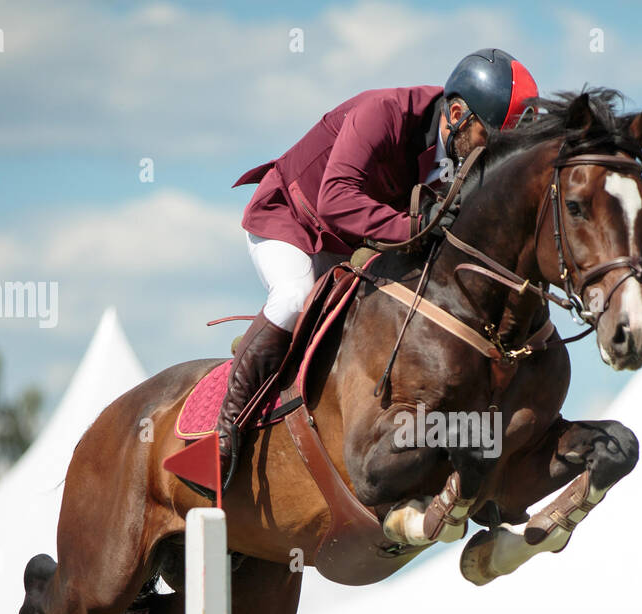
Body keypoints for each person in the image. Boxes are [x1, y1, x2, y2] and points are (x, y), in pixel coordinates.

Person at [218, 49, 539, 489]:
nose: (492, 154)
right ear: (459, 114)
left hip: (354, 243)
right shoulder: (383, 113)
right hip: (292, 221)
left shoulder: (463, 155)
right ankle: (226, 431)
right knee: (294, 296)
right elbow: (334, 200)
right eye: (492, 137)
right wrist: (415, 226)